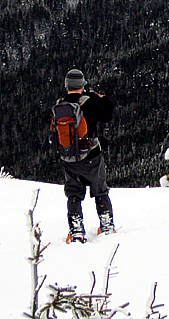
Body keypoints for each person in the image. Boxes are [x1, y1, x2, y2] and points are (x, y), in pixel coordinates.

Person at [52, 68, 115, 243]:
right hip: (91, 156)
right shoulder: (89, 102)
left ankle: (76, 231)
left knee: (73, 194)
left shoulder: (60, 105)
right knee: (100, 190)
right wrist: (104, 99)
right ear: (82, 84)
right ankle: (107, 226)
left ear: (67, 86)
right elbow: (108, 115)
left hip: (68, 157)